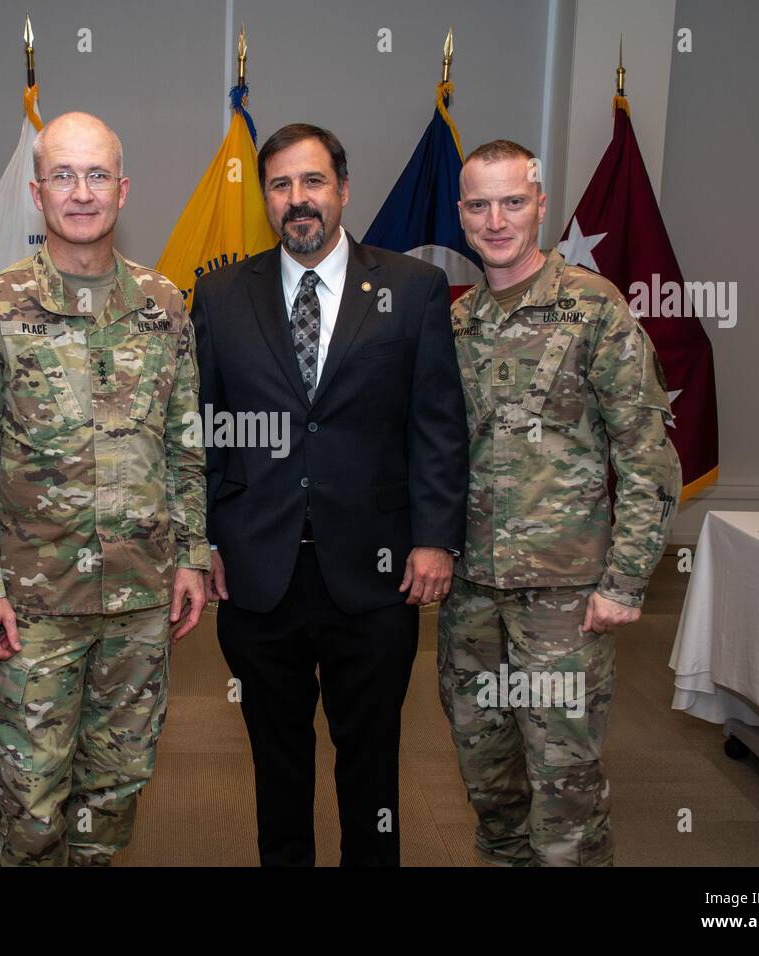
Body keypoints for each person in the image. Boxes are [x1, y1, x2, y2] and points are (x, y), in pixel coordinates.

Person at [192, 123, 468, 866]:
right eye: (280, 185)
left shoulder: (412, 290)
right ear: (266, 199)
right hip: (259, 573)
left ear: (343, 189)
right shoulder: (221, 295)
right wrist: (209, 540)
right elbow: (207, 430)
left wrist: (436, 537)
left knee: (371, 760)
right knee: (276, 762)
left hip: (377, 573)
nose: (297, 199)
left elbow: (437, 423)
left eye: (312, 182)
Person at [0, 111, 209, 867]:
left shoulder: (164, 307)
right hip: (33, 604)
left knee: (114, 796)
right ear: (37, 193)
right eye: (63, 175)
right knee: (32, 807)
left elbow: (186, 443)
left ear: (123, 190)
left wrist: (192, 554)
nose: (82, 191)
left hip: (138, 599)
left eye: (97, 174)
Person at [440, 139, 682, 866]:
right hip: (473, 594)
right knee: (489, 778)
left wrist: (626, 578)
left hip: (567, 600)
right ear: (461, 214)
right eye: (479, 205)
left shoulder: (591, 308)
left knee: (565, 786)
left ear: (540, 204)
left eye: (513, 201)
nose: (496, 219)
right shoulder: (457, 323)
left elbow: (646, 449)